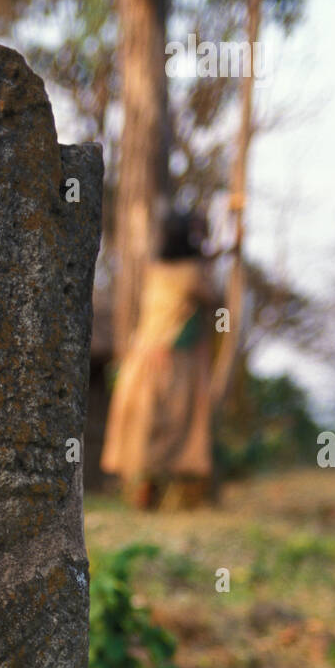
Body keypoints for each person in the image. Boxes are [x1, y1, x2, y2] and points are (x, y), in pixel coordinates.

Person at [101, 210, 217, 510]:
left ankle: (147, 493)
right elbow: (215, 298)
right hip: (170, 361)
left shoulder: (155, 271)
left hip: (142, 357)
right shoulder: (192, 274)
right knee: (167, 425)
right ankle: (156, 493)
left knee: (146, 426)